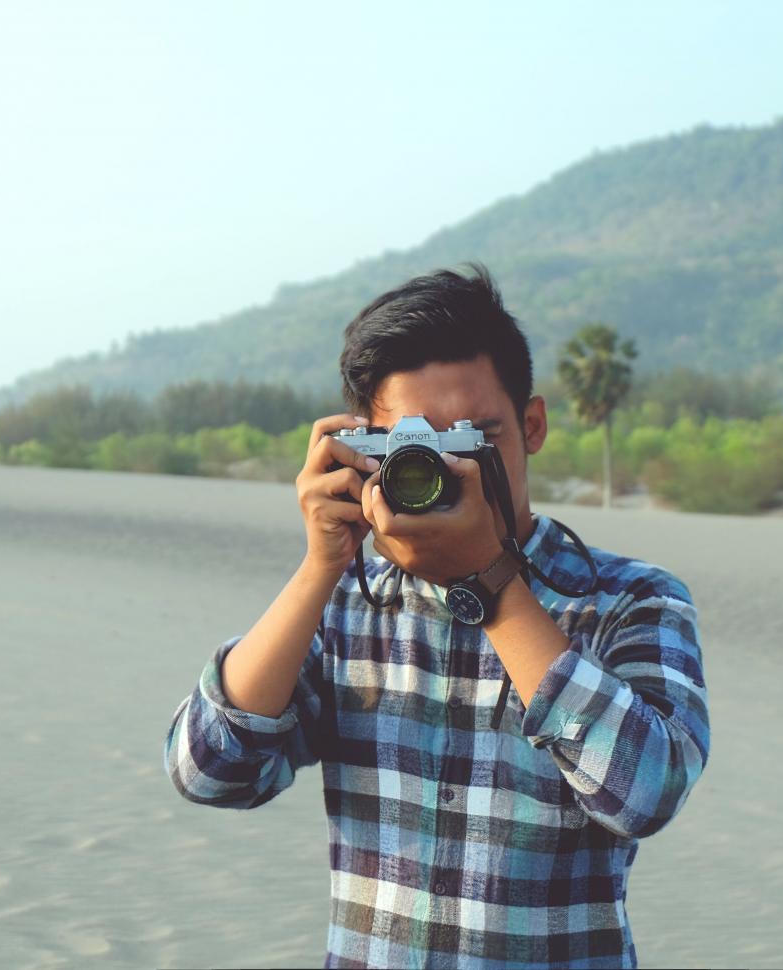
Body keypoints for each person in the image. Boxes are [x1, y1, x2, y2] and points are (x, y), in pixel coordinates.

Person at [164, 265, 710, 969]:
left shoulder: (629, 601)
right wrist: (319, 569)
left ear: (532, 425)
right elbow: (207, 769)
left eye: (477, 437)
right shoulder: (348, 605)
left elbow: (646, 794)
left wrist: (492, 584)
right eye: (420, 447)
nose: (454, 470)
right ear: (369, 454)